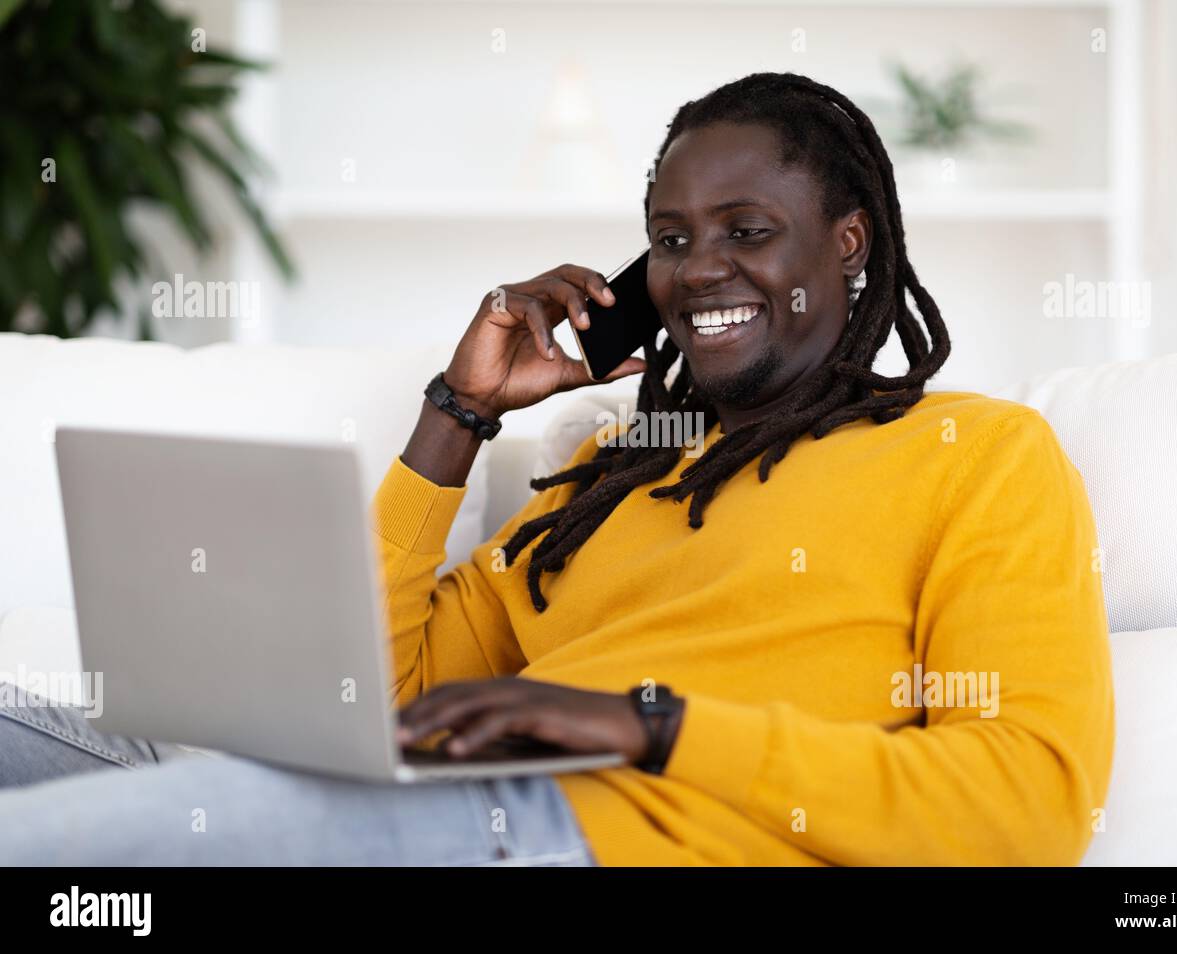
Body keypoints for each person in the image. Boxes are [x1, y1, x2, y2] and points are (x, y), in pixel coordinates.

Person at [0, 72, 1113, 866]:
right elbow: (379, 704)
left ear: (848, 241)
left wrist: (654, 723)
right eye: (670, 240)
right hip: (416, 794)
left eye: (746, 228)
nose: (700, 268)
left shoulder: (979, 456)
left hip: (586, 829)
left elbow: (1030, 805)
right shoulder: (607, 471)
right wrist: (461, 410)